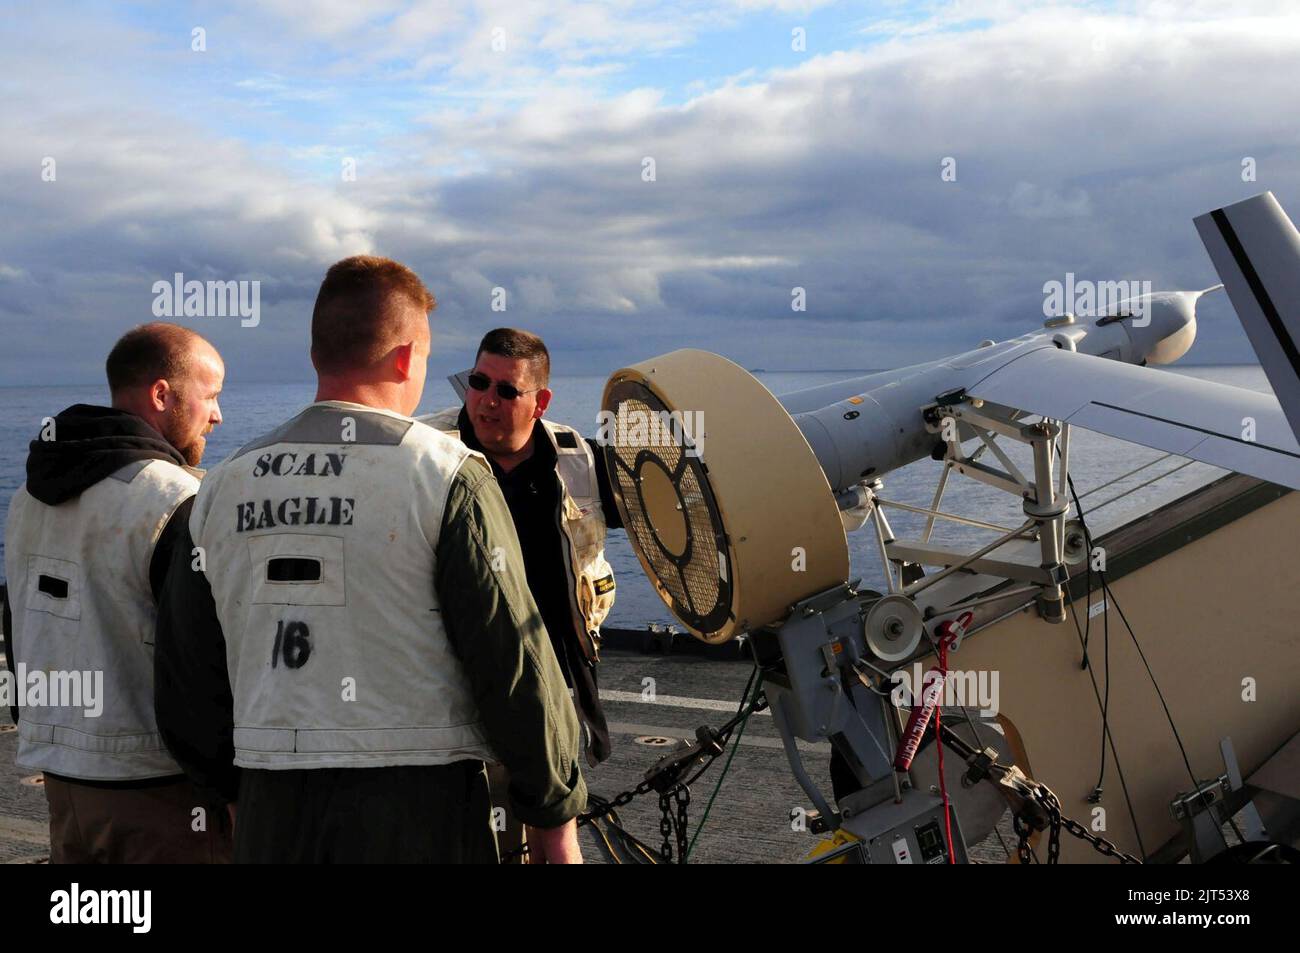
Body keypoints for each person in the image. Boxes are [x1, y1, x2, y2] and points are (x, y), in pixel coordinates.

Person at [154, 256, 586, 863]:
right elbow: (512, 660)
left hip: (272, 800)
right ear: (407, 358)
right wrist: (553, 816)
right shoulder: (445, 475)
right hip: (420, 804)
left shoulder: (222, 486)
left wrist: (230, 793)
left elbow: (185, 673)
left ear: (316, 353)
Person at [2, 322, 230, 863]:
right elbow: (202, 661)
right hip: (156, 786)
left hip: (64, 775)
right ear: (161, 394)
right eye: (212, 395)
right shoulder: (177, 500)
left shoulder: (29, 496)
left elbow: (18, 615)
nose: (218, 414)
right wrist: (231, 784)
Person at [423, 328, 622, 770]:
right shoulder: (426, 453)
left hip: (555, 674)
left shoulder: (579, 461)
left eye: (507, 391)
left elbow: (667, 519)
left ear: (541, 403)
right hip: (455, 679)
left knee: (554, 805)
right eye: (479, 382)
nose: (487, 400)